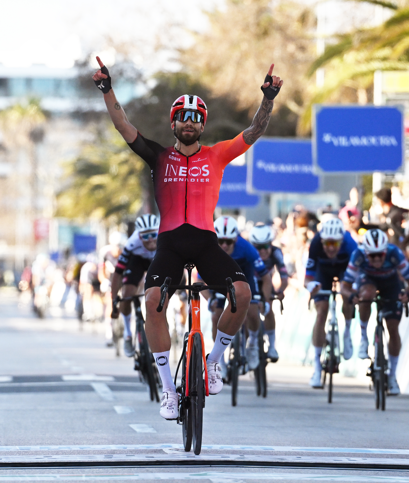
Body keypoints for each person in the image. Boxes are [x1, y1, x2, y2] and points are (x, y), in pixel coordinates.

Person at [92, 56, 282, 419]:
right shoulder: (158, 157)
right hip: (170, 245)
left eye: (196, 119)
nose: (190, 123)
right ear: (174, 123)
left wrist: (268, 99)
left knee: (242, 293)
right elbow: (122, 124)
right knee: (152, 302)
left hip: (205, 243)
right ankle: (167, 390)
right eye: (184, 118)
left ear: (202, 126)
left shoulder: (217, 155)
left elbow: (254, 131)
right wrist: (107, 89)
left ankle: (213, 362)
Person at [341, 228, 409, 396]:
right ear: (366, 253)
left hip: (390, 284)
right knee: (366, 295)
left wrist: (407, 294)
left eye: (380, 255)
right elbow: (345, 286)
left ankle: (392, 377)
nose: (376, 259)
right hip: (367, 280)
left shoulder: (395, 253)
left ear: (385, 252)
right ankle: (364, 338)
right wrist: (351, 296)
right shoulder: (358, 255)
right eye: (372, 256)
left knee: (393, 328)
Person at [210, 216, 272, 374]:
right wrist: (209, 298)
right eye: (220, 241)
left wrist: (264, 299)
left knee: (252, 312)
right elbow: (200, 281)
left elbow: (265, 277)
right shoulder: (208, 249)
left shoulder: (247, 248)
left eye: (229, 242)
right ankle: (219, 361)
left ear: (236, 239)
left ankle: (252, 344)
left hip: (244, 276)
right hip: (220, 280)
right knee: (216, 316)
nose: (224, 245)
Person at [305, 218, 358, 389]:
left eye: (334, 243)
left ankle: (347, 331)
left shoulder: (351, 245)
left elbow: (357, 277)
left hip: (345, 271)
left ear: (341, 241)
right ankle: (317, 367)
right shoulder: (315, 244)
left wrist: (351, 290)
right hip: (323, 272)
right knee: (321, 313)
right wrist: (311, 285)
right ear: (322, 240)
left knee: (346, 294)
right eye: (327, 242)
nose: (330, 247)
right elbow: (307, 278)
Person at [111, 213, 159, 357]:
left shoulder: (165, 238)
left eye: (153, 234)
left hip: (156, 260)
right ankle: (127, 334)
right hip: (137, 260)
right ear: (139, 236)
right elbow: (117, 273)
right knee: (127, 294)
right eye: (145, 236)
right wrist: (114, 300)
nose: (150, 239)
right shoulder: (131, 244)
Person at [247, 222, 289, 362]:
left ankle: (272, 346)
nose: (262, 251)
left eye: (265, 246)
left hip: (266, 282)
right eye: (258, 248)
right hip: (249, 281)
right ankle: (246, 344)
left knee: (269, 307)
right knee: (247, 311)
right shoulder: (247, 252)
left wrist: (281, 290)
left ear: (271, 244)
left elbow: (284, 276)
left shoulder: (277, 252)